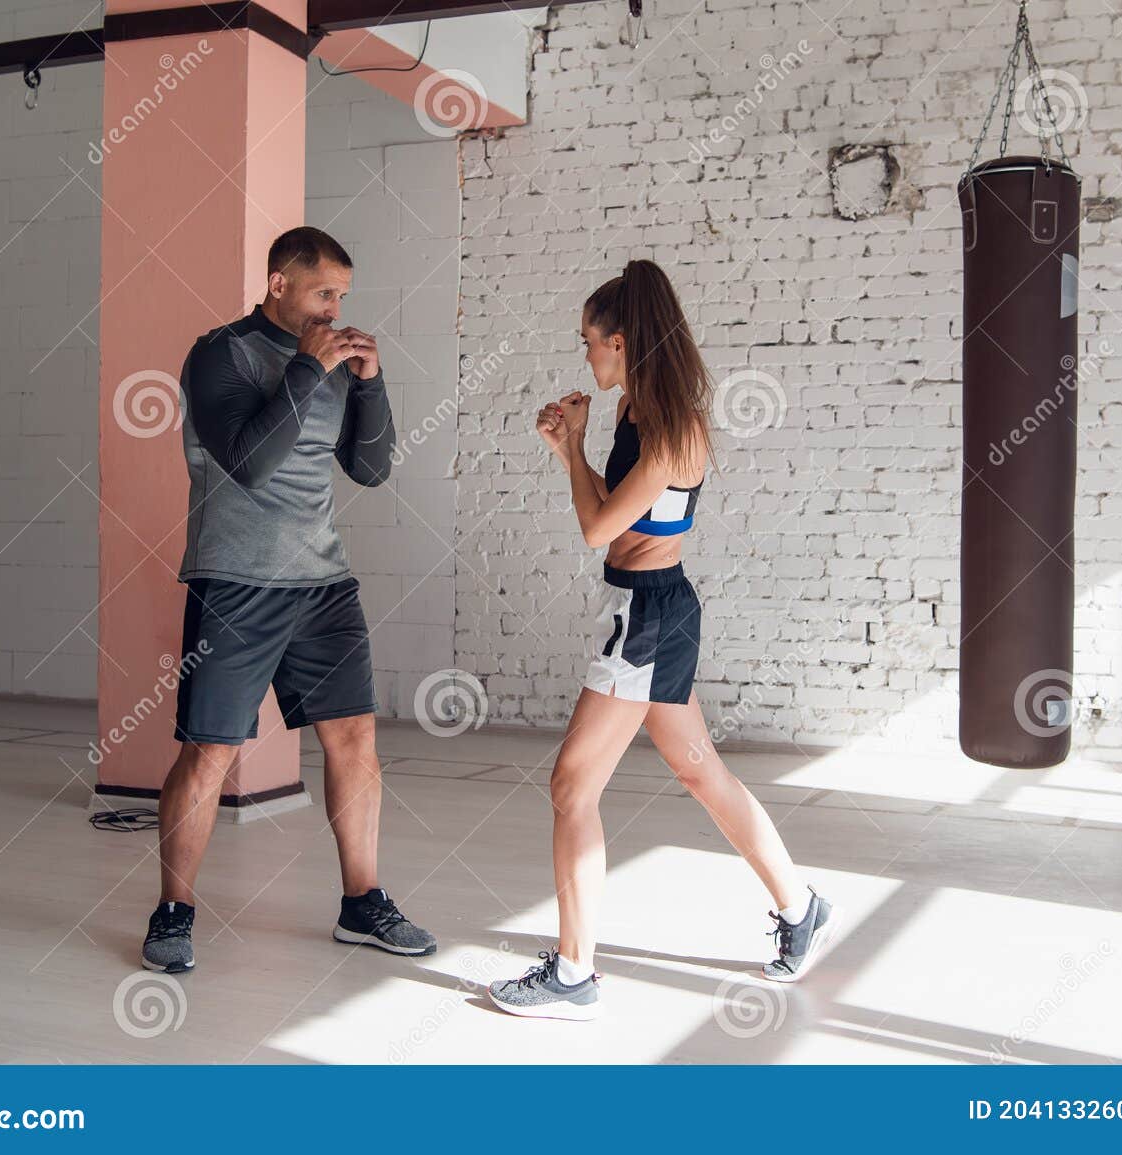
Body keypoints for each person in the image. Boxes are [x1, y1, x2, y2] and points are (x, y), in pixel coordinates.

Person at [487, 259, 832, 1020]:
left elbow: (595, 526)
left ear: (621, 340)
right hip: (649, 609)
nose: (585, 356)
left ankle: (574, 973)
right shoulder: (637, 413)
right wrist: (578, 443)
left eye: (590, 342)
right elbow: (615, 513)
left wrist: (568, 453)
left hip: (647, 618)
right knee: (702, 770)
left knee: (571, 787)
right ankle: (801, 905)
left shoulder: (670, 429)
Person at [140, 226, 435, 973]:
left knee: (355, 740)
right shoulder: (221, 354)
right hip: (236, 581)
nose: (336, 309)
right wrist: (307, 371)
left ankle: (361, 902)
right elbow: (247, 463)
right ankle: (174, 911)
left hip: (322, 582)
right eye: (324, 293)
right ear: (278, 284)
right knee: (210, 752)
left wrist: (369, 382)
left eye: (343, 295)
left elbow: (369, 470)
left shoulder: (331, 359)